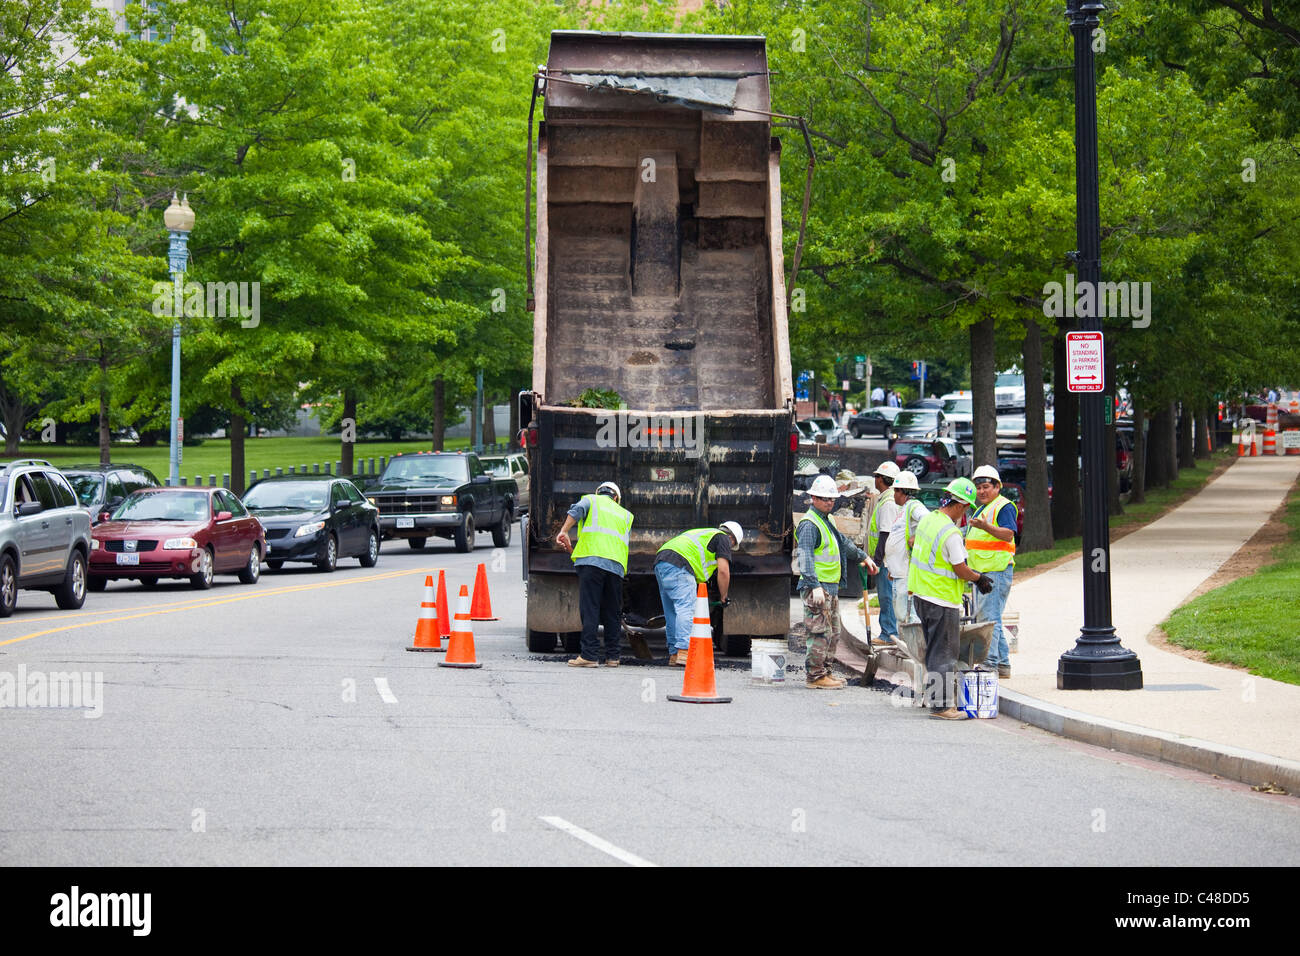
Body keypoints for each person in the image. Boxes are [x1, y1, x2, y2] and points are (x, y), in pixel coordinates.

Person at [906, 477, 993, 719]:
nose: (965, 515)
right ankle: (942, 706)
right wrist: (978, 578)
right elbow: (960, 568)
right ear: (960, 505)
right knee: (944, 653)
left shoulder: (928, 521)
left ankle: (936, 700)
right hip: (941, 600)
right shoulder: (951, 533)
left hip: (921, 596)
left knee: (934, 651)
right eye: (966, 509)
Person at [798, 475, 872, 689]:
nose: (829, 502)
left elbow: (843, 543)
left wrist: (863, 557)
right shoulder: (809, 525)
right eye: (824, 499)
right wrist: (814, 585)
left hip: (830, 587)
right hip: (818, 588)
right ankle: (815, 676)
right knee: (819, 633)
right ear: (813, 498)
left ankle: (825, 672)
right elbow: (805, 558)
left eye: (831, 499)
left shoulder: (827, 520)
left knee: (833, 632)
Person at [555, 481, 634, 667]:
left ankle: (589, 655)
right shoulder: (626, 515)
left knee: (590, 608)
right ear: (616, 498)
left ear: (600, 493)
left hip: (592, 564)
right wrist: (572, 550)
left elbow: (575, 511)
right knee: (612, 612)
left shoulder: (591, 500)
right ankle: (613, 657)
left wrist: (564, 531)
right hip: (615, 566)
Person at [655, 521, 744, 666]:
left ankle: (674, 654)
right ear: (732, 539)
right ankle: (684, 651)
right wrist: (723, 596)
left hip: (661, 561)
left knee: (671, 612)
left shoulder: (704, 533)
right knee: (686, 609)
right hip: (680, 564)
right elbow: (723, 571)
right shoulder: (723, 538)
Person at [965, 465, 1018, 678]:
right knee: (992, 617)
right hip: (984, 572)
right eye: (978, 488)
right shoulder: (983, 509)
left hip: (995, 571)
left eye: (986, 487)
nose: (981, 491)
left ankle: (990, 664)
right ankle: (1003, 664)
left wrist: (986, 527)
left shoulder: (1003, 506)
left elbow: (1008, 534)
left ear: (997, 487)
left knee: (989, 620)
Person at [883, 470, 928, 627]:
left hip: (907, 571)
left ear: (902, 491)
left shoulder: (914, 506)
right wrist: (892, 567)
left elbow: (927, 519)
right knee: (901, 612)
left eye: (895, 491)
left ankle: (911, 647)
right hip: (899, 570)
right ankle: (905, 647)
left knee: (907, 614)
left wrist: (918, 537)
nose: (893, 494)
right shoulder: (904, 509)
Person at [864, 461, 901, 647]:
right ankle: (890, 632)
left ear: (881, 479)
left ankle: (889, 633)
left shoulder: (887, 503)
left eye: (876, 476)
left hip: (886, 560)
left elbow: (884, 534)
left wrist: (876, 562)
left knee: (887, 597)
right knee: (887, 596)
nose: (874, 479)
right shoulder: (886, 499)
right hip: (887, 559)